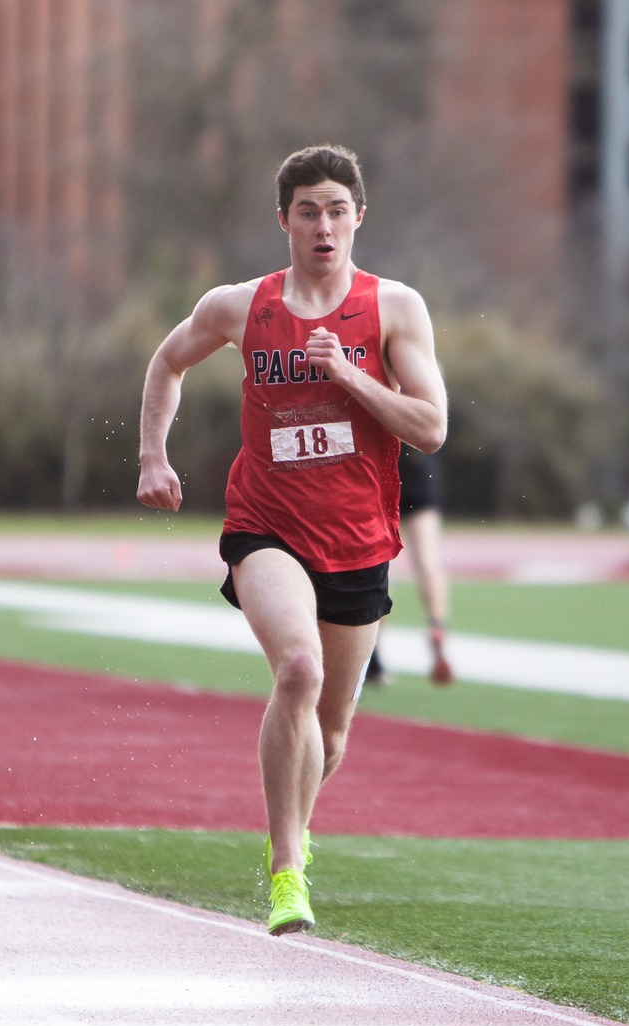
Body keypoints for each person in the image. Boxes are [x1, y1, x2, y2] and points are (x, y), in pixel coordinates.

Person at [136, 145, 448, 937]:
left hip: (359, 538)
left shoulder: (395, 309)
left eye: (337, 210)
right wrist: (152, 454)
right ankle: (286, 873)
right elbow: (167, 363)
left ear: (359, 219)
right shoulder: (241, 306)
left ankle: (295, 827)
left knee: (332, 731)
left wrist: (349, 375)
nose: (323, 225)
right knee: (298, 669)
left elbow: (433, 428)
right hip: (266, 527)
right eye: (307, 209)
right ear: (284, 220)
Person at [365, 444, 455, 686]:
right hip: (418, 469)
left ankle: (373, 651)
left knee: (380, 563)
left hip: (382, 469)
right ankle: (437, 624)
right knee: (427, 560)